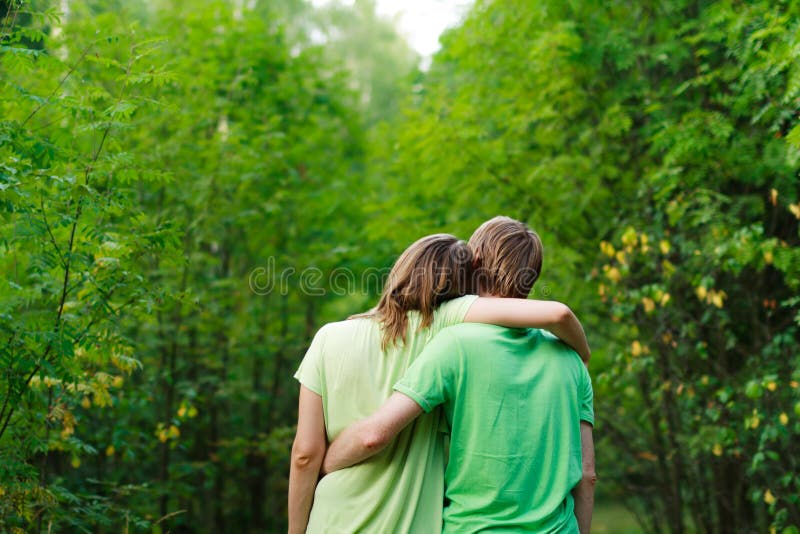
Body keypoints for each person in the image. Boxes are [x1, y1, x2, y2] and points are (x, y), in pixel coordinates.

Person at [288, 231, 590, 533]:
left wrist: (323, 471)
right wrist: (582, 355)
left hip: (331, 516)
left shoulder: (328, 337)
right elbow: (555, 313)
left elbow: (305, 454)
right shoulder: (446, 325)